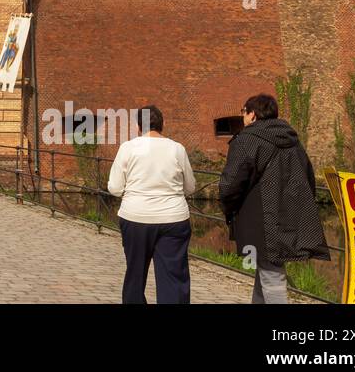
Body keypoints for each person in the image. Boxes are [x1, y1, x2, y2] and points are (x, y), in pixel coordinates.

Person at [219, 93, 329, 303]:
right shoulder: (292, 139)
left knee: (272, 278)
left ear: (252, 115)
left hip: (260, 218)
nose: (243, 116)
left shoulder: (247, 140)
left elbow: (230, 184)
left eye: (243, 111)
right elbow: (308, 177)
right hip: (288, 216)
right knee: (267, 272)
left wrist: (228, 208)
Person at [107, 105, 196, 304]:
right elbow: (190, 186)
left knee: (135, 273)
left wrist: (132, 194)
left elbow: (114, 187)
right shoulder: (177, 149)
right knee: (174, 276)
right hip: (173, 218)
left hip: (136, 216)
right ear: (163, 124)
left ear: (138, 126)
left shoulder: (128, 148)